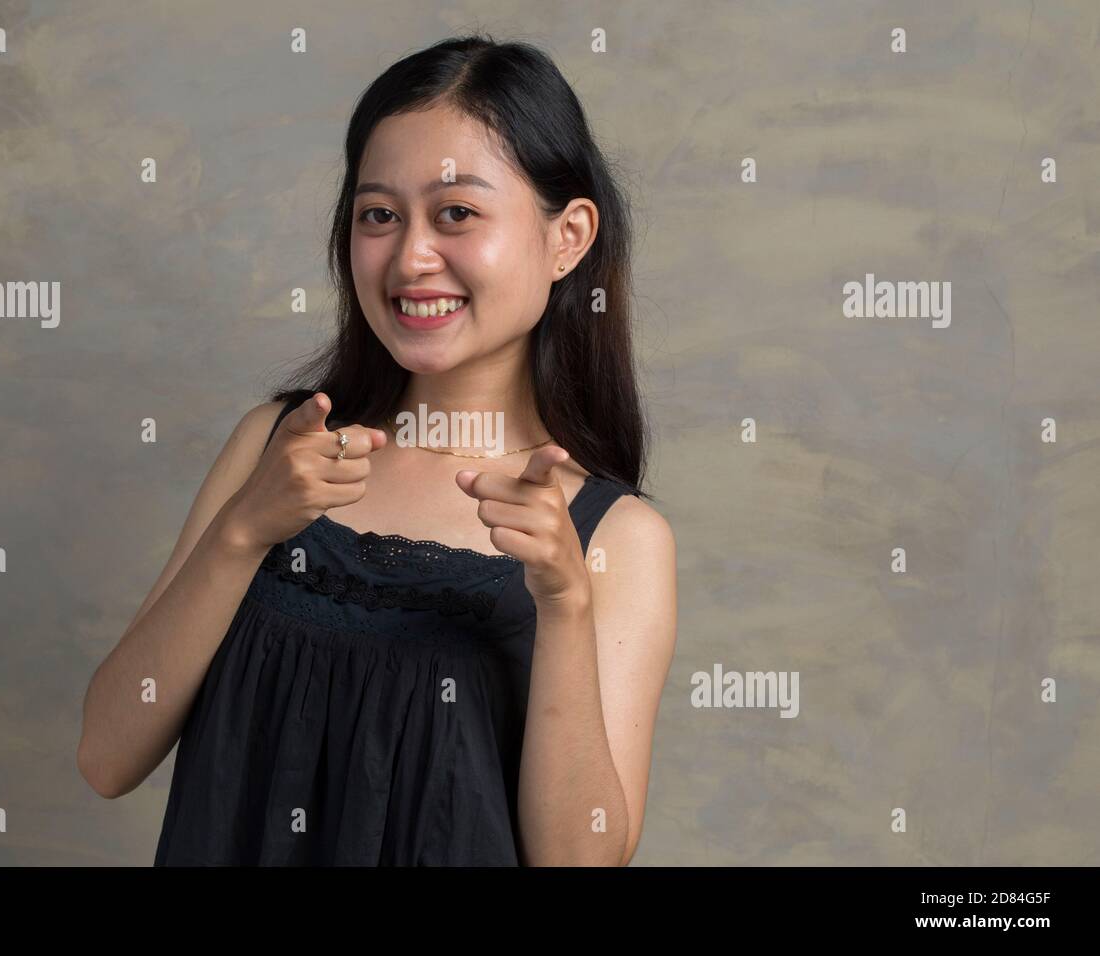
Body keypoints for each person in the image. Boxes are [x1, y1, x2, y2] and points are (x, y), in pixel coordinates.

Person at [77, 33, 677, 866]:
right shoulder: (276, 448)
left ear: (568, 238)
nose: (410, 257)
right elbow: (106, 756)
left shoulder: (618, 538)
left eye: (457, 213)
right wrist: (243, 531)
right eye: (379, 215)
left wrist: (566, 605)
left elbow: (580, 860)